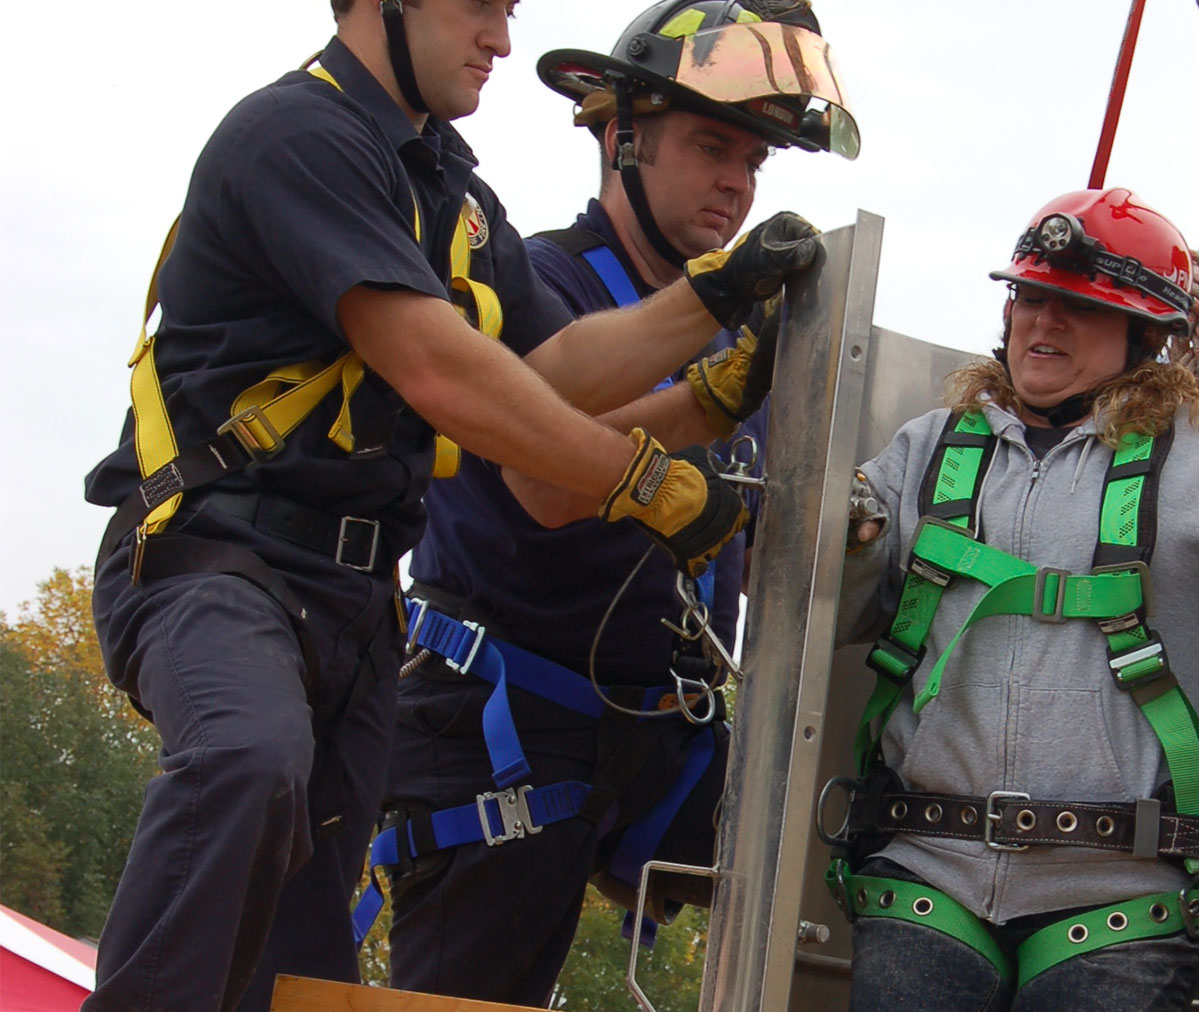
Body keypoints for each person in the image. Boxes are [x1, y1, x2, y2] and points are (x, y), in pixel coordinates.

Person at [77, 0, 820, 1008]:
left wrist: (716, 310)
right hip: (216, 560)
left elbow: (550, 371)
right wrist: (643, 483)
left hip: (348, 607)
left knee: (298, 967)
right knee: (244, 764)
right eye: (479, 6)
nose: (504, 41)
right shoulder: (301, 135)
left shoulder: (449, 189)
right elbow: (439, 370)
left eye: (508, 10)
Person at [372, 1, 858, 1004]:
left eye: (756, 161)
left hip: (656, 732)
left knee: (852, 879)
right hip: (501, 728)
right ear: (622, 135)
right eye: (713, 146)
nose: (738, 180)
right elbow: (545, 485)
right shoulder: (537, 285)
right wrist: (704, 406)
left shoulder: (736, 336)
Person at [826, 188, 1199, 1011]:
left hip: (1123, 895)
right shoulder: (928, 447)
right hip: (928, 872)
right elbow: (819, 609)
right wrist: (831, 531)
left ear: (1149, 334)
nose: (1043, 324)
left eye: (1078, 306)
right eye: (1031, 297)